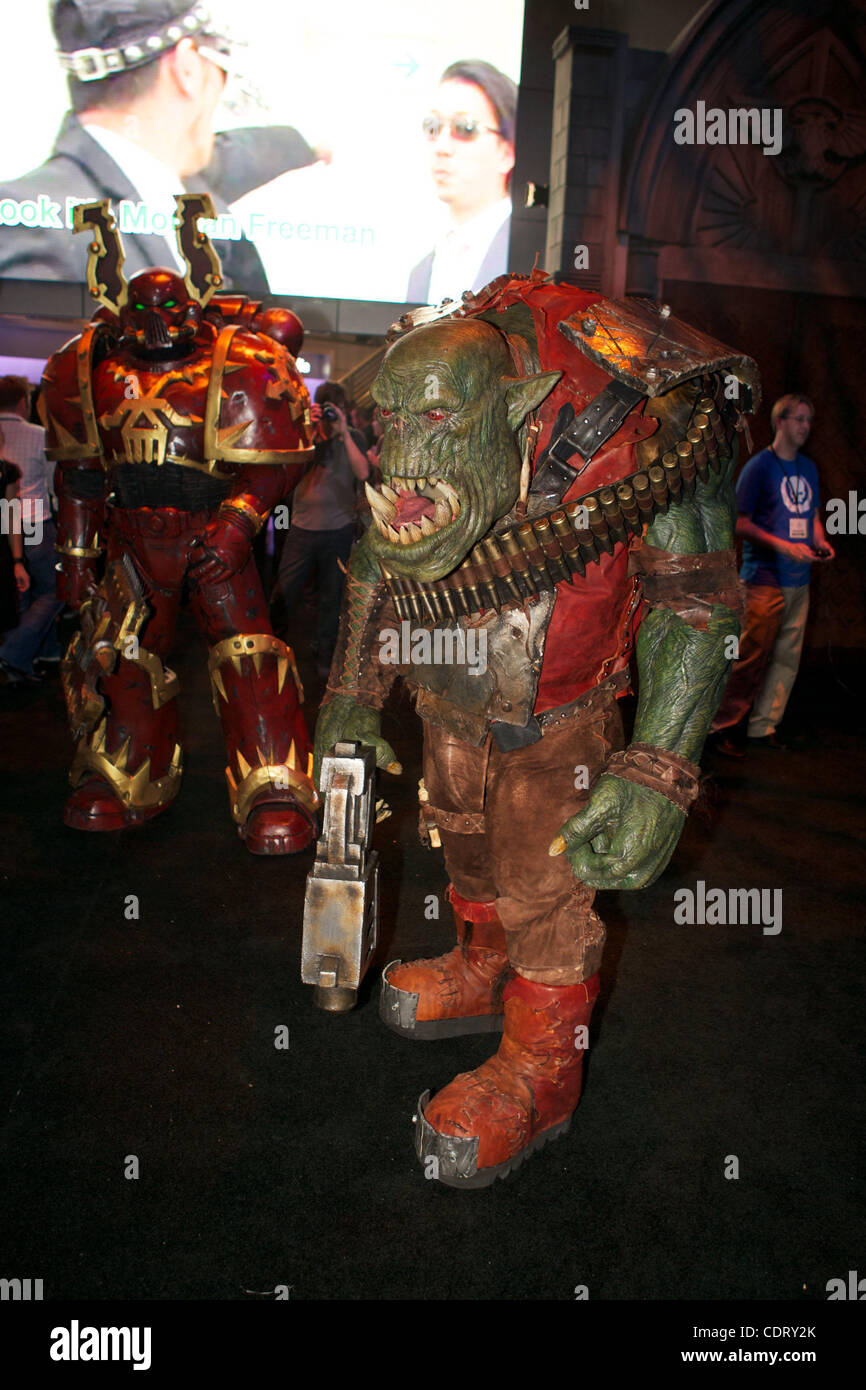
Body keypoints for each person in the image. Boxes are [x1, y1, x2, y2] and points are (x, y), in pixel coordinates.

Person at [0, 0, 323, 289]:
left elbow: (245, 154)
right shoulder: (27, 226)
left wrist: (315, 146)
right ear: (187, 68)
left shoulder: (175, 180)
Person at [710, 394, 834, 756]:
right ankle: (722, 727)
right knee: (748, 657)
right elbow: (739, 522)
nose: (805, 427)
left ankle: (764, 726)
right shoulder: (760, 467)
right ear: (780, 422)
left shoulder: (808, 468)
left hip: (799, 579)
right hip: (763, 579)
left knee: (786, 659)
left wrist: (820, 541)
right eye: (799, 419)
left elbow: (812, 516)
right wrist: (783, 546)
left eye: (809, 420)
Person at [271, 382, 369, 680]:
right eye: (325, 408)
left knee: (331, 598)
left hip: (338, 531)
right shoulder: (304, 435)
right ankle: (272, 647)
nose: (329, 415)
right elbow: (287, 474)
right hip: (301, 529)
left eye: (333, 409)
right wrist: (311, 432)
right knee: (285, 590)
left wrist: (343, 432)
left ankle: (324, 655)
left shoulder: (353, 437)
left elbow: (363, 472)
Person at [406, 60, 516, 305]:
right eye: (433, 127)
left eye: (465, 128)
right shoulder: (420, 273)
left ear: (507, 152)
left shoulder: (533, 258)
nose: (442, 147)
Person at [0, 377, 64, 683]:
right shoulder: (40, 435)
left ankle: (42, 654)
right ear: (24, 402)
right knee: (54, 590)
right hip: (35, 522)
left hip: (5, 526)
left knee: (22, 595)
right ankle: (12, 652)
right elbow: (54, 485)